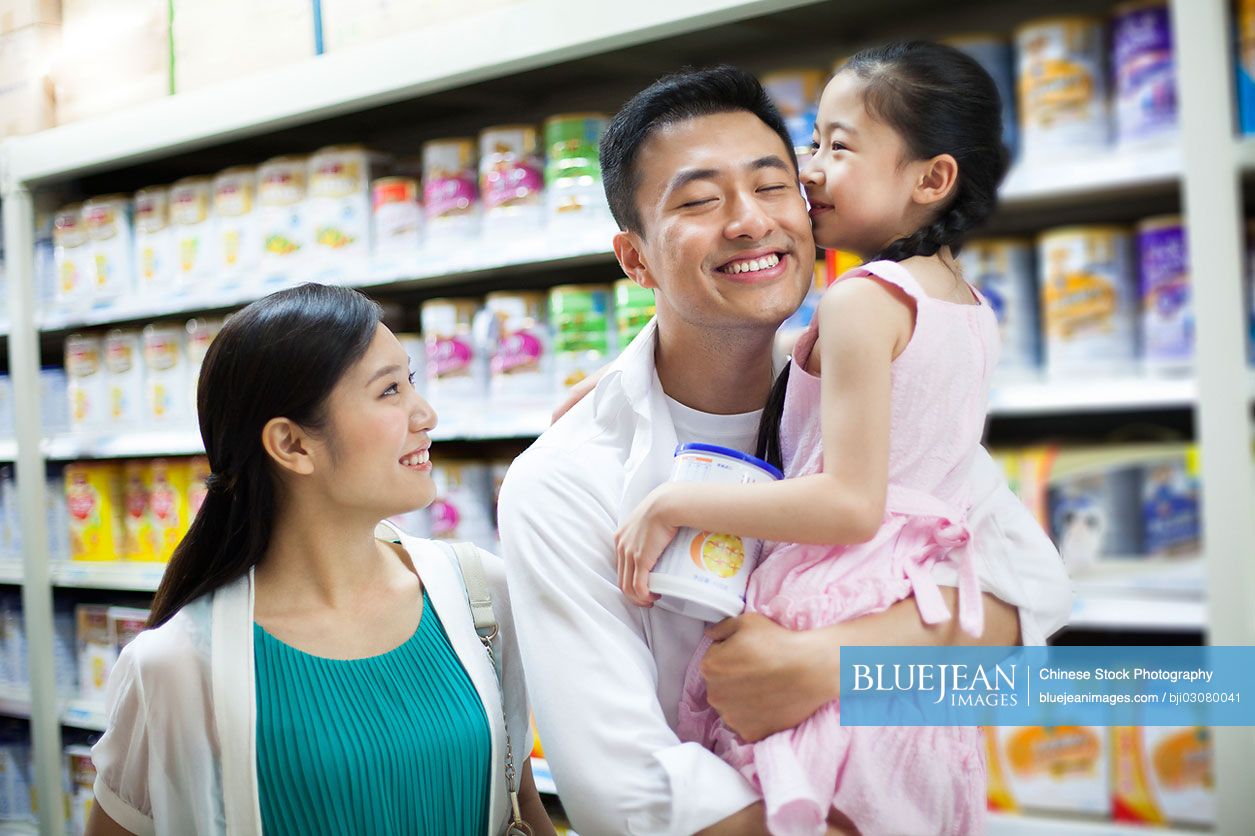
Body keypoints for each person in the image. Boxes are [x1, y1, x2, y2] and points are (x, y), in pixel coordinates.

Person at [498, 65, 1071, 836]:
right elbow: (628, 795)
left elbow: (1029, 591)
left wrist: (828, 661)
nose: (747, 221)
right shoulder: (566, 480)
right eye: (698, 201)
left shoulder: (869, 388)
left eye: (773, 187)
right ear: (634, 259)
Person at [614, 41, 1019, 835]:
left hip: (841, 588)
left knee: (810, 794)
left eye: (838, 146)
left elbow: (849, 504)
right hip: (922, 587)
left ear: (930, 179)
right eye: (812, 141)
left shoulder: (862, 301)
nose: (810, 168)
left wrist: (674, 502)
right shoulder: (962, 302)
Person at [86, 284, 554, 836]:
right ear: (292, 445)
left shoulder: (480, 596)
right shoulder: (174, 668)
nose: (425, 414)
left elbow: (521, 807)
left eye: (413, 383)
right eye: (389, 392)